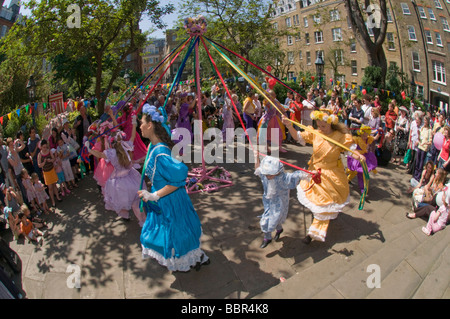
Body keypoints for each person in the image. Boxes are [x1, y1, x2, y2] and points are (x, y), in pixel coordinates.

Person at [138, 104, 209, 272]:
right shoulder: (153, 147)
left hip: (169, 200)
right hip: (163, 201)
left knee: (177, 232)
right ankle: (191, 258)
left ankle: (193, 258)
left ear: (150, 125)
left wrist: (153, 195)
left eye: (141, 122)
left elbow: (177, 180)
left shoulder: (161, 152)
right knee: (172, 233)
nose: (139, 126)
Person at [282, 109, 366, 243]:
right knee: (318, 202)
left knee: (324, 202)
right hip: (315, 172)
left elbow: (351, 151)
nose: (321, 128)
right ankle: (318, 224)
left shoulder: (340, 136)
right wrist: (289, 126)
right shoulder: (316, 133)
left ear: (331, 124)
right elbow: (298, 136)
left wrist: (359, 156)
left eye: (324, 126)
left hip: (332, 174)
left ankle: (313, 233)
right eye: (319, 125)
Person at [85, 116, 146, 227]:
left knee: (123, 201)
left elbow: (99, 154)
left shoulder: (111, 153)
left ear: (111, 142)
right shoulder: (126, 146)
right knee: (135, 202)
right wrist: (134, 125)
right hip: (132, 178)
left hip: (120, 182)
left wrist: (89, 149)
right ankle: (143, 221)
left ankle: (125, 215)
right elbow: (133, 136)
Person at [254, 155, 313, 248]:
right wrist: (255, 156)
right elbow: (258, 169)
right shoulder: (265, 176)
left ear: (278, 172)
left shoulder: (284, 178)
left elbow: (299, 175)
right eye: (266, 174)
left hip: (279, 204)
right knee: (274, 220)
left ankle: (267, 237)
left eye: (270, 174)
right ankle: (279, 229)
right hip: (268, 202)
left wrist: (310, 173)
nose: (267, 176)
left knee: (266, 221)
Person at [347, 125, 378, 194]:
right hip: (356, 157)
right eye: (363, 135)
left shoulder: (368, 139)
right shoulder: (357, 139)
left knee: (362, 173)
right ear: (360, 133)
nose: (365, 137)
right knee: (353, 172)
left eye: (366, 135)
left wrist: (379, 133)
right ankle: (347, 179)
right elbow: (350, 143)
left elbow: (375, 138)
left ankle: (363, 189)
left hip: (364, 157)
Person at [37, 139, 62, 209]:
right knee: (50, 187)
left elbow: (54, 158)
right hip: (46, 172)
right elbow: (39, 165)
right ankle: (53, 201)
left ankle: (57, 197)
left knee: (54, 184)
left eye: (46, 147)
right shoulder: (39, 155)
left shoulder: (49, 151)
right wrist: (44, 163)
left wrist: (50, 160)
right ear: (41, 147)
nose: (45, 148)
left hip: (51, 170)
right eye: (43, 147)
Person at [413, 116, 432, 182]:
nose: (424, 122)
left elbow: (430, 142)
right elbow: (419, 138)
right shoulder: (422, 128)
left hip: (424, 148)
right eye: (424, 120)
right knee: (417, 162)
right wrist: (418, 135)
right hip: (420, 147)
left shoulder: (429, 130)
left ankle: (418, 176)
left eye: (425, 120)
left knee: (421, 163)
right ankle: (415, 175)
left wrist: (425, 143)